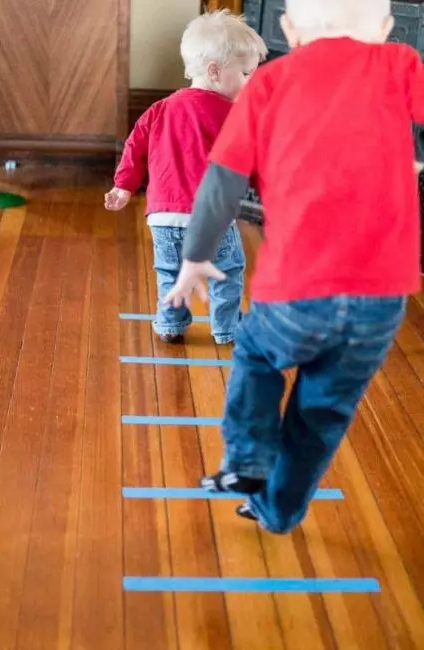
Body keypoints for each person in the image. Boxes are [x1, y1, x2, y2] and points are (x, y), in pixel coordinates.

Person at [165, 0, 423, 533]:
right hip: (381, 302)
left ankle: (247, 462)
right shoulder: (401, 65)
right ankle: (279, 511)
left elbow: (221, 184)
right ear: (383, 28)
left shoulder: (270, 81)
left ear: (287, 28)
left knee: (257, 356)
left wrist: (194, 257)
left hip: (296, 291)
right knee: (322, 414)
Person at [105, 10, 267, 344]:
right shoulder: (232, 115)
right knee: (226, 271)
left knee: (170, 273)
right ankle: (227, 328)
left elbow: (135, 145)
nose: (250, 81)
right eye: (246, 73)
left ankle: (170, 324)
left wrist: (123, 185)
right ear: (214, 71)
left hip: (163, 217)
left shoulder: (159, 109)